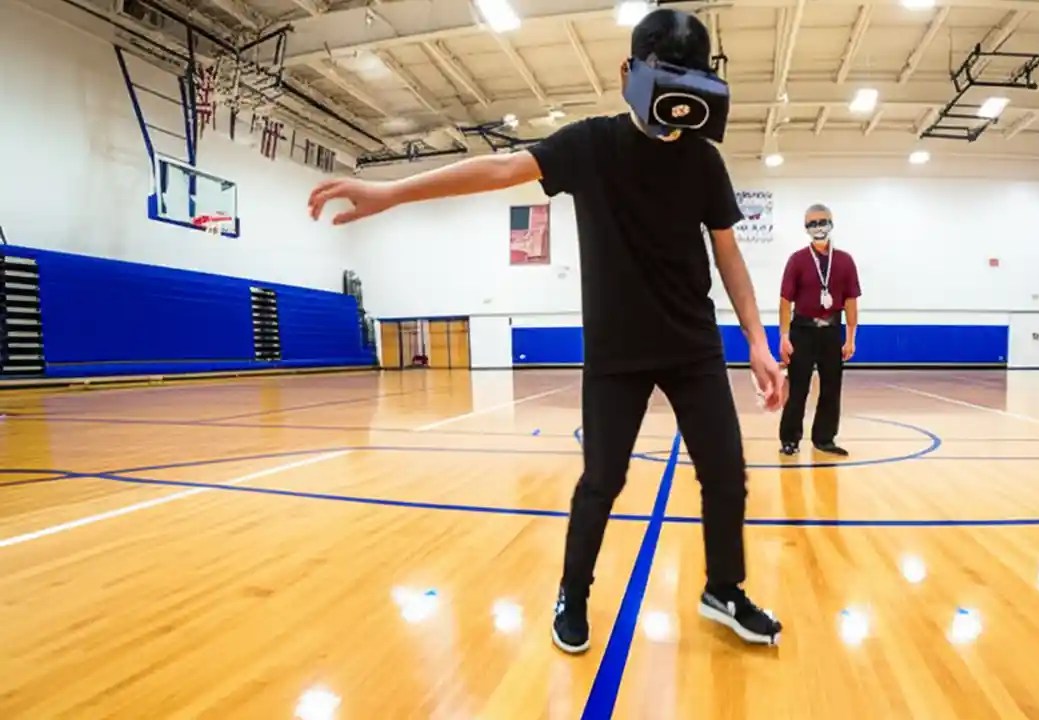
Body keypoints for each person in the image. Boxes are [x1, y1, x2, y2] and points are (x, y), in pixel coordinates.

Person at [307, 9, 785, 653]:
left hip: (693, 346)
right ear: (630, 74)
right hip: (617, 351)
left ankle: (723, 588)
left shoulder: (703, 160)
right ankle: (574, 593)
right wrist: (391, 192)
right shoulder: (590, 145)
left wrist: (756, 339)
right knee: (602, 481)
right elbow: (501, 170)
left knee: (726, 472)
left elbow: (727, 252)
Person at [777, 203, 861, 457]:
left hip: (831, 333)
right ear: (806, 229)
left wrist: (850, 339)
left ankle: (824, 438)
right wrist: (784, 338)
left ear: (831, 222)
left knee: (831, 387)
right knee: (798, 388)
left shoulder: (845, 261)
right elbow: (784, 301)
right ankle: (790, 439)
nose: (818, 227)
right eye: (812, 223)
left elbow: (851, 301)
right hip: (802, 330)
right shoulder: (798, 260)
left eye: (822, 221)